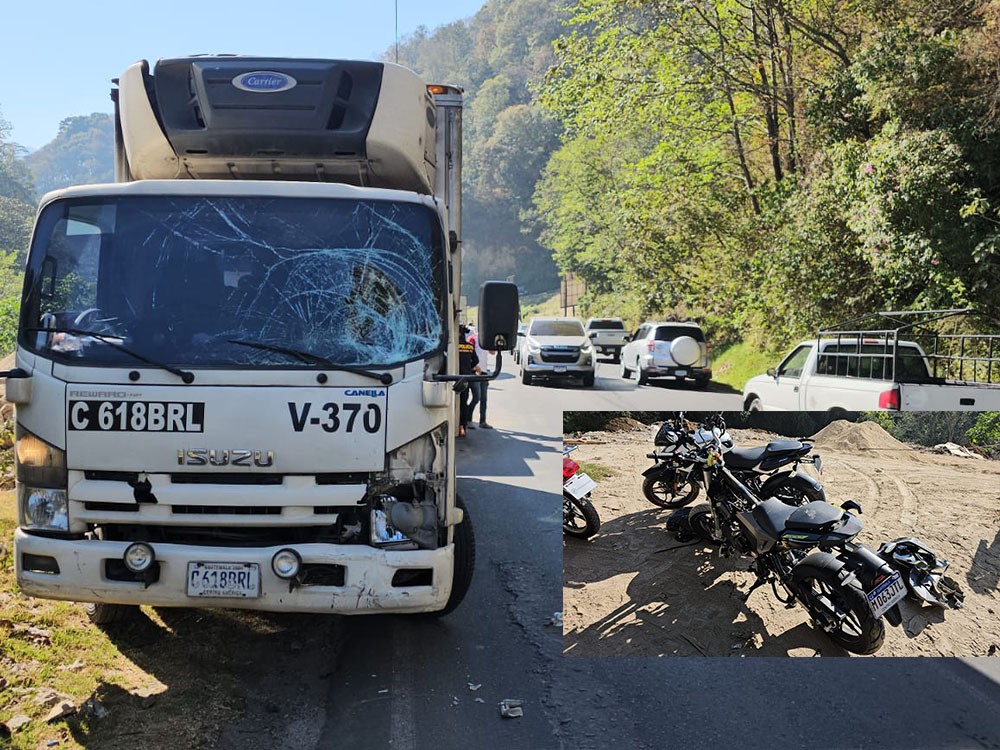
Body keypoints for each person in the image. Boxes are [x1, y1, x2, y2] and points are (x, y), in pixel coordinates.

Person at [467, 329, 494, 429]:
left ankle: (482, 421)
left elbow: (492, 352)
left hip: (484, 372)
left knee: (484, 398)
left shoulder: (486, 339)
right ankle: (468, 419)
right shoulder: (473, 338)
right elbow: (469, 354)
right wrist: (474, 366)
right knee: (476, 397)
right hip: (475, 373)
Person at [456, 325, 479, 437]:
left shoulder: (453, 346)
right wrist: (469, 368)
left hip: (452, 378)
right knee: (463, 404)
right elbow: (476, 360)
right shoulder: (469, 346)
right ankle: (462, 428)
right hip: (466, 378)